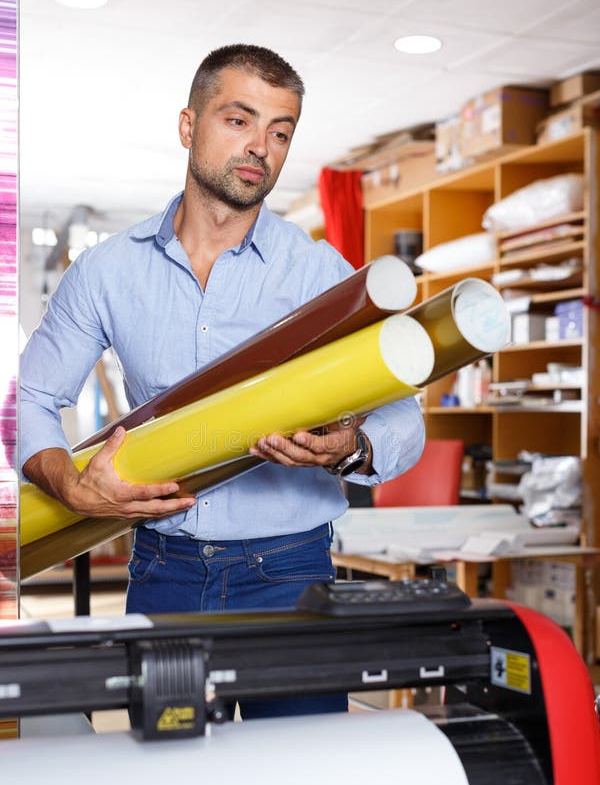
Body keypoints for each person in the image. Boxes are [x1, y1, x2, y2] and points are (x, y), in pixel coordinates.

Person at [21, 44, 425, 719]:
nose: (259, 148)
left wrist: (350, 449)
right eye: (239, 120)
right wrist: (69, 480)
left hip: (290, 574)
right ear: (188, 126)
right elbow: (31, 399)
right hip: (162, 570)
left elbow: (405, 416)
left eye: (280, 132)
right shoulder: (108, 274)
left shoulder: (318, 274)